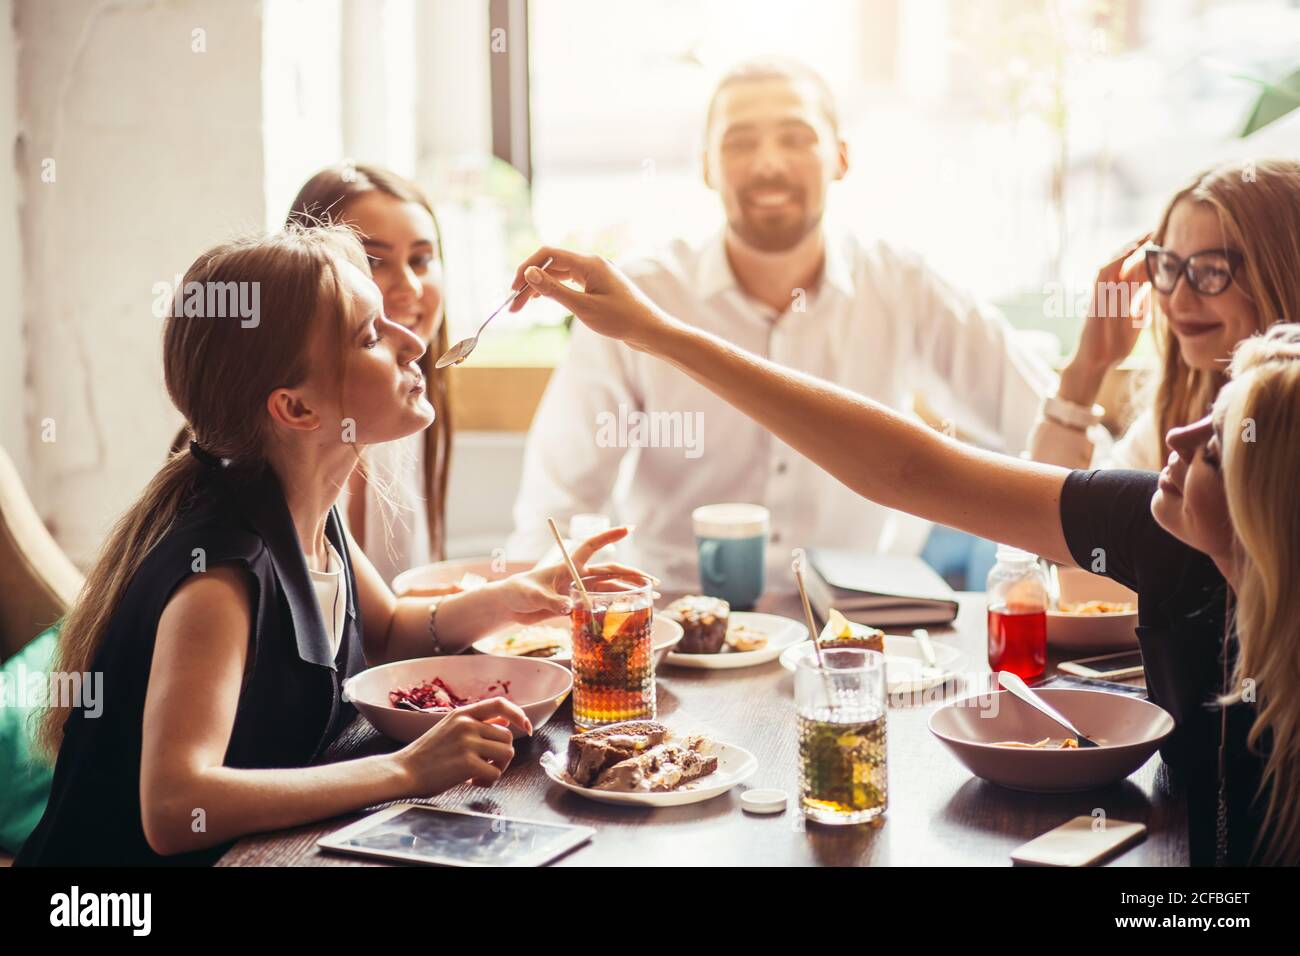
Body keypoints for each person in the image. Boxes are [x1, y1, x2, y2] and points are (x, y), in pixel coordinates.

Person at [512, 247, 1300, 865]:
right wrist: (656, 332)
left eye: (1222, 438)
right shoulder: (1157, 528)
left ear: (1269, 493)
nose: (1180, 437)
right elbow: (910, 468)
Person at [17, 226, 643, 866]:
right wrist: (406, 770)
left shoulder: (304, 512)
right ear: (296, 408)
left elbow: (392, 632)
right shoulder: (219, 578)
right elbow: (176, 808)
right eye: (371, 336)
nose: (411, 342)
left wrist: (514, 598)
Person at [508, 57, 1054, 589]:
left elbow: (1041, 423)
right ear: (706, 166)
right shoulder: (638, 297)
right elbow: (556, 507)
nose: (769, 164)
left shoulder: (904, 286)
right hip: (678, 628)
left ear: (841, 157)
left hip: (864, 628)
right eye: (740, 142)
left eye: (796, 138)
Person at [1029, 158, 1300, 470]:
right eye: (1169, 266)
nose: (1179, 301)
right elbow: (1051, 513)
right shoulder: (1179, 411)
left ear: (1282, 279)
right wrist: (1089, 365)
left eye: (1211, 271)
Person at [286, 164, 453, 585]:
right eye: (373, 260)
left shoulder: (407, 406)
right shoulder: (281, 443)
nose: (411, 288)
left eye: (421, 259)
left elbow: (382, 623)